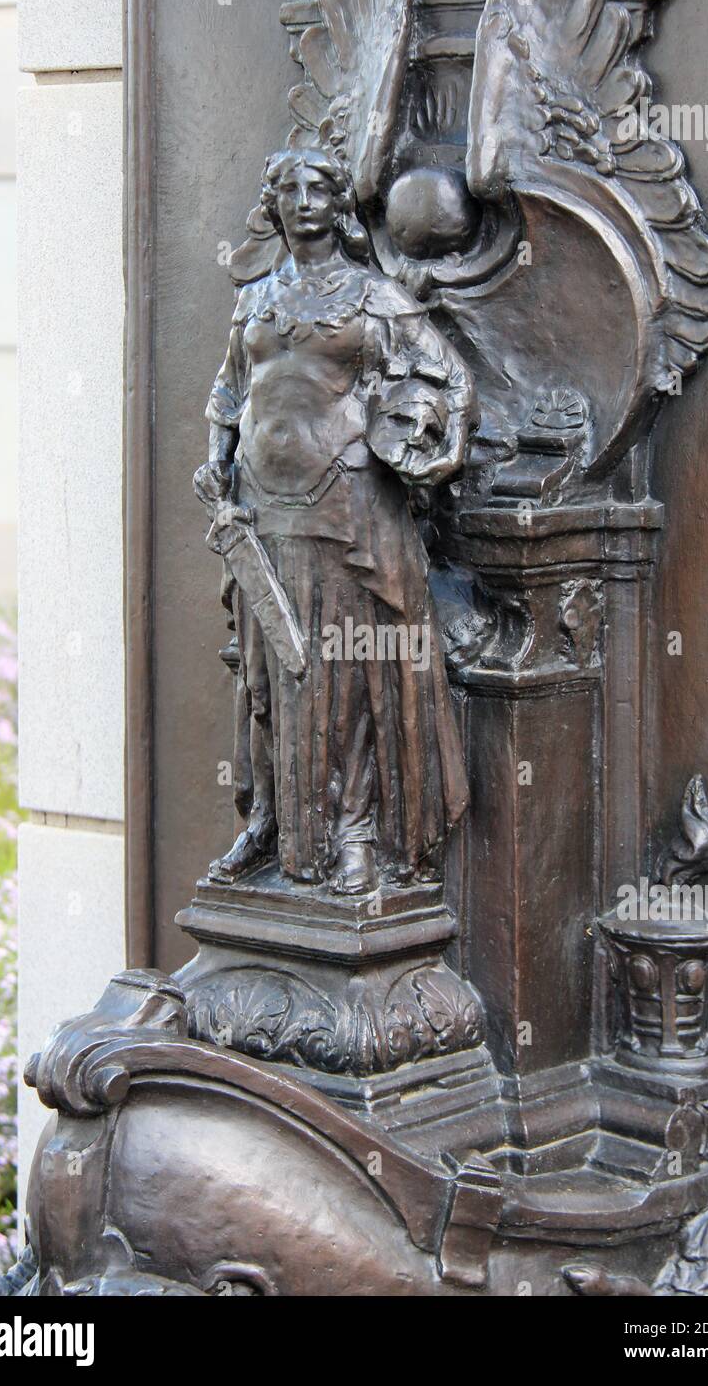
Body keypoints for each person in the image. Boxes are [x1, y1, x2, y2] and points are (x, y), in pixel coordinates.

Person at [194, 146, 476, 896]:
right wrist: (217, 457)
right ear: (274, 205)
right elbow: (228, 394)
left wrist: (410, 434)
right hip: (259, 509)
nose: (305, 200)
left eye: (319, 188)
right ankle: (274, 819)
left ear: (339, 204)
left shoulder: (374, 300)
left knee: (344, 673)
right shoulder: (254, 301)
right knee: (263, 671)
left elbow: (445, 380)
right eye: (289, 188)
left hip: (347, 511)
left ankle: (354, 831)